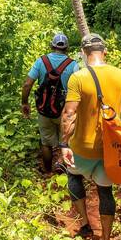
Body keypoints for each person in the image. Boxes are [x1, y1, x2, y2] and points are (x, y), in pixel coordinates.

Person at [60, 33, 121, 240]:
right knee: (106, 192)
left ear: (84, 53)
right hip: (110, 149)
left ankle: (85, 224)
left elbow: (69, 113)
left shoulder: (79, 78)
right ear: (105, 52)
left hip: (83, 148)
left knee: (73, 176)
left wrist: (64, 143)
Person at [21, 32, 79, 174]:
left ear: (52, 46)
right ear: (67, 48)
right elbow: (80, 88)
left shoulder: (41, 61)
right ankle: (67, 171)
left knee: (46, 142)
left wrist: (25, 103)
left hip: (44, 109)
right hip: (65, 111)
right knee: (66, 140)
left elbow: (27, 84)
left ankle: (47, 172)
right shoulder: (73, 65)